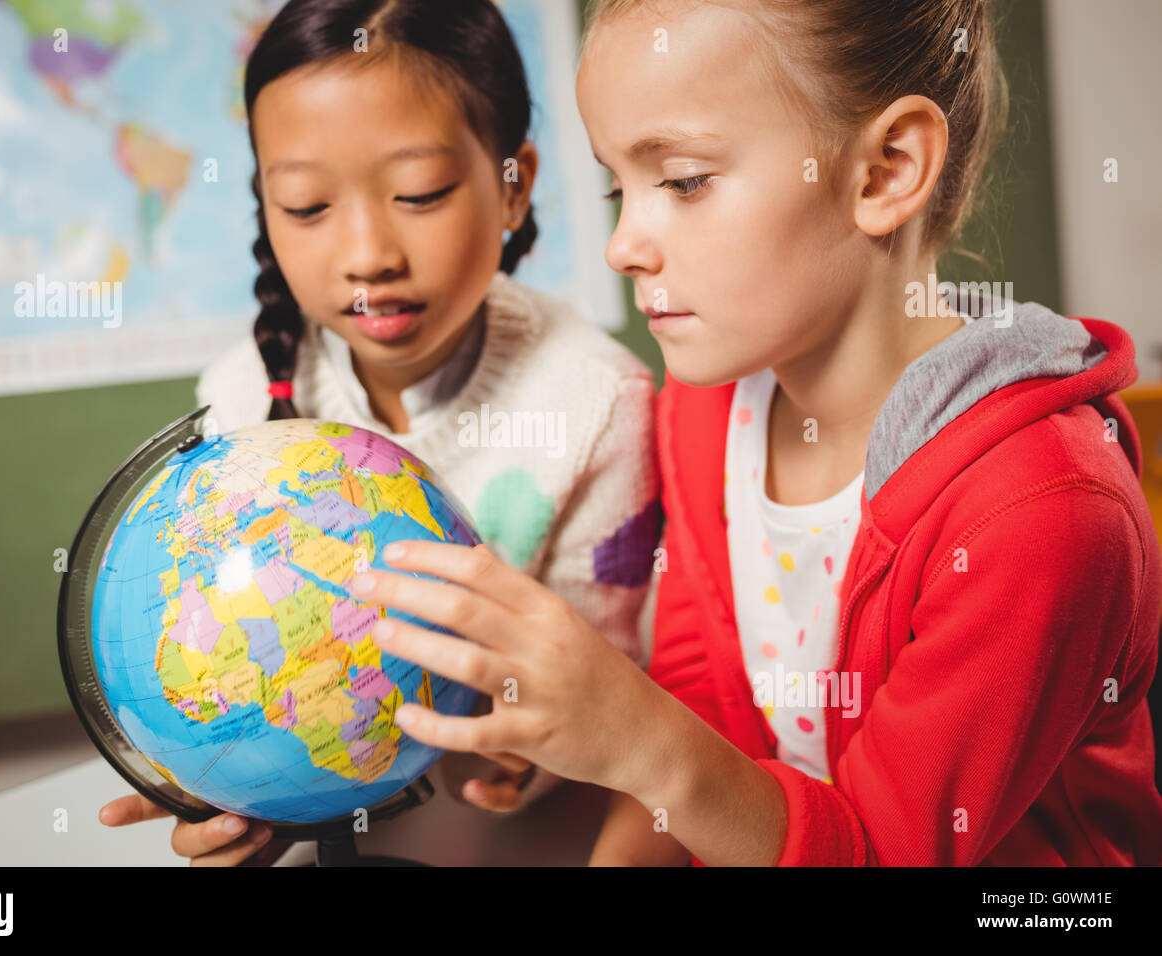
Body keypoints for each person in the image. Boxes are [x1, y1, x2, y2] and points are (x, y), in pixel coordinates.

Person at [340, 0, 1162, 865]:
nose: (624, 246)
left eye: (685, 181)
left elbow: (881, 851)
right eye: (621, 187)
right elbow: (707, 710)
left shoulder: (1042, 513)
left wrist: (633, 731)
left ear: (885, 170)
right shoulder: (706, 413)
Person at [98, 0, 660, 865]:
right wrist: (232, 788)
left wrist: (517, 754)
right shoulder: (243, 395)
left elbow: (611, 685)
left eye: (418, 194)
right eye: (306, 205)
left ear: (513, 184)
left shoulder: (597, 401)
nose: (368, 252)